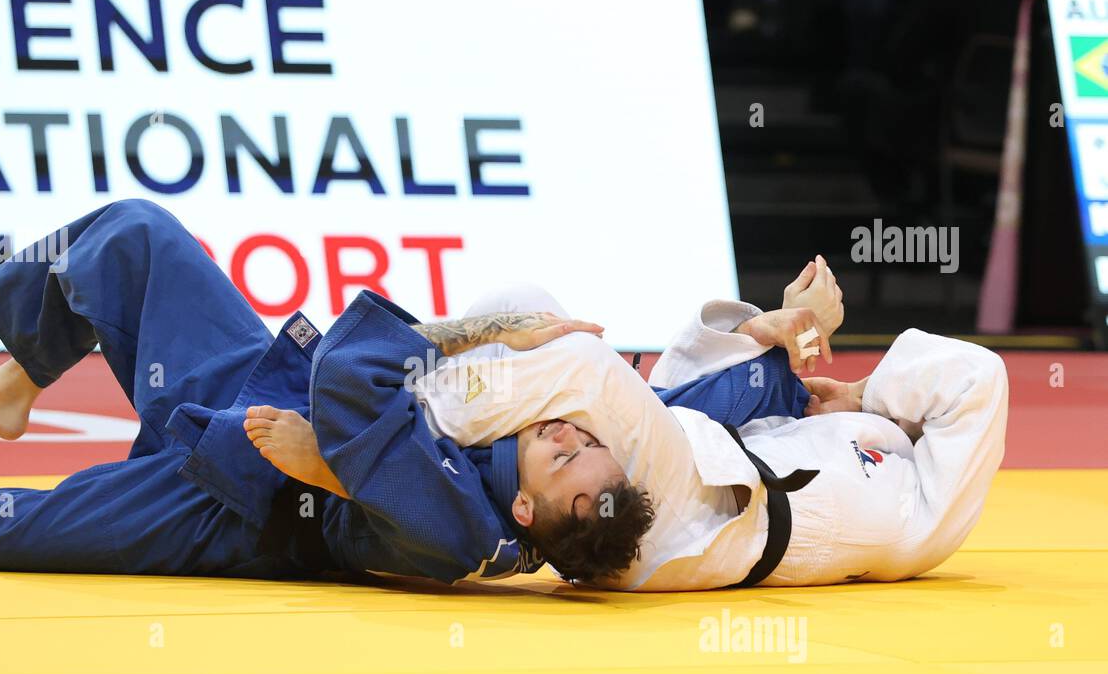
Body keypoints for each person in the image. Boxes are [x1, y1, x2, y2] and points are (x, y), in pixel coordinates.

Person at [0, 199, 829, 585]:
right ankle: (12, 385)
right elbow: (688, 415)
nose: (576, 438)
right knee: (133, 234)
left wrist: (485, 338)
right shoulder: (552, 437)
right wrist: (780, 363)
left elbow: (358, 383)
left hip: (224, 497)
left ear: (528, 510)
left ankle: (89, 470)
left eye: (571, 468)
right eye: (590, 445)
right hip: (257, 381)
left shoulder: (459, 528)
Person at [411, 282, 1008, 591]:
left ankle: (408, 402)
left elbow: (978, 377)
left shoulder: (919, 524)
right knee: (527, 307)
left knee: (581, 363)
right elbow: (673, 407)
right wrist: (763, 333)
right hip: (663, 519)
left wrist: (872, 395)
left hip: (680, 521)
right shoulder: (837, 449)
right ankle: (425, 406)